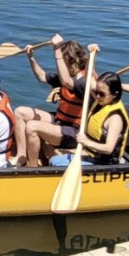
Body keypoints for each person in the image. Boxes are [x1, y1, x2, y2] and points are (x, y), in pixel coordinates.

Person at [13, 35, 91, 167]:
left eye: (65, 63)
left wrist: (57, 50)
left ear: (74, 61)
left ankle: (32, 168)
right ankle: (21, 156)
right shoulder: (66, 75)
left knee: (32, 127)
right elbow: (42, 77)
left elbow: (67, 82)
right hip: (59, 121)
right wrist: (31, 58)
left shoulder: (85, 82)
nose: (62, 67)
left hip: (74, 132)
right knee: (20, 112)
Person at [49, 67, 129, 166]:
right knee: (55, 152)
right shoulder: (100, 99)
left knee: (55, 161)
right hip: (91, 153)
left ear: (114, 94)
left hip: (104, 162)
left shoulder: (115, 118)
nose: (97, 97)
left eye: (102, 94)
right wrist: (92, 54)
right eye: (96, 92)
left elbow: (109, 148)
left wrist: (86, 142)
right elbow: (88, 76)